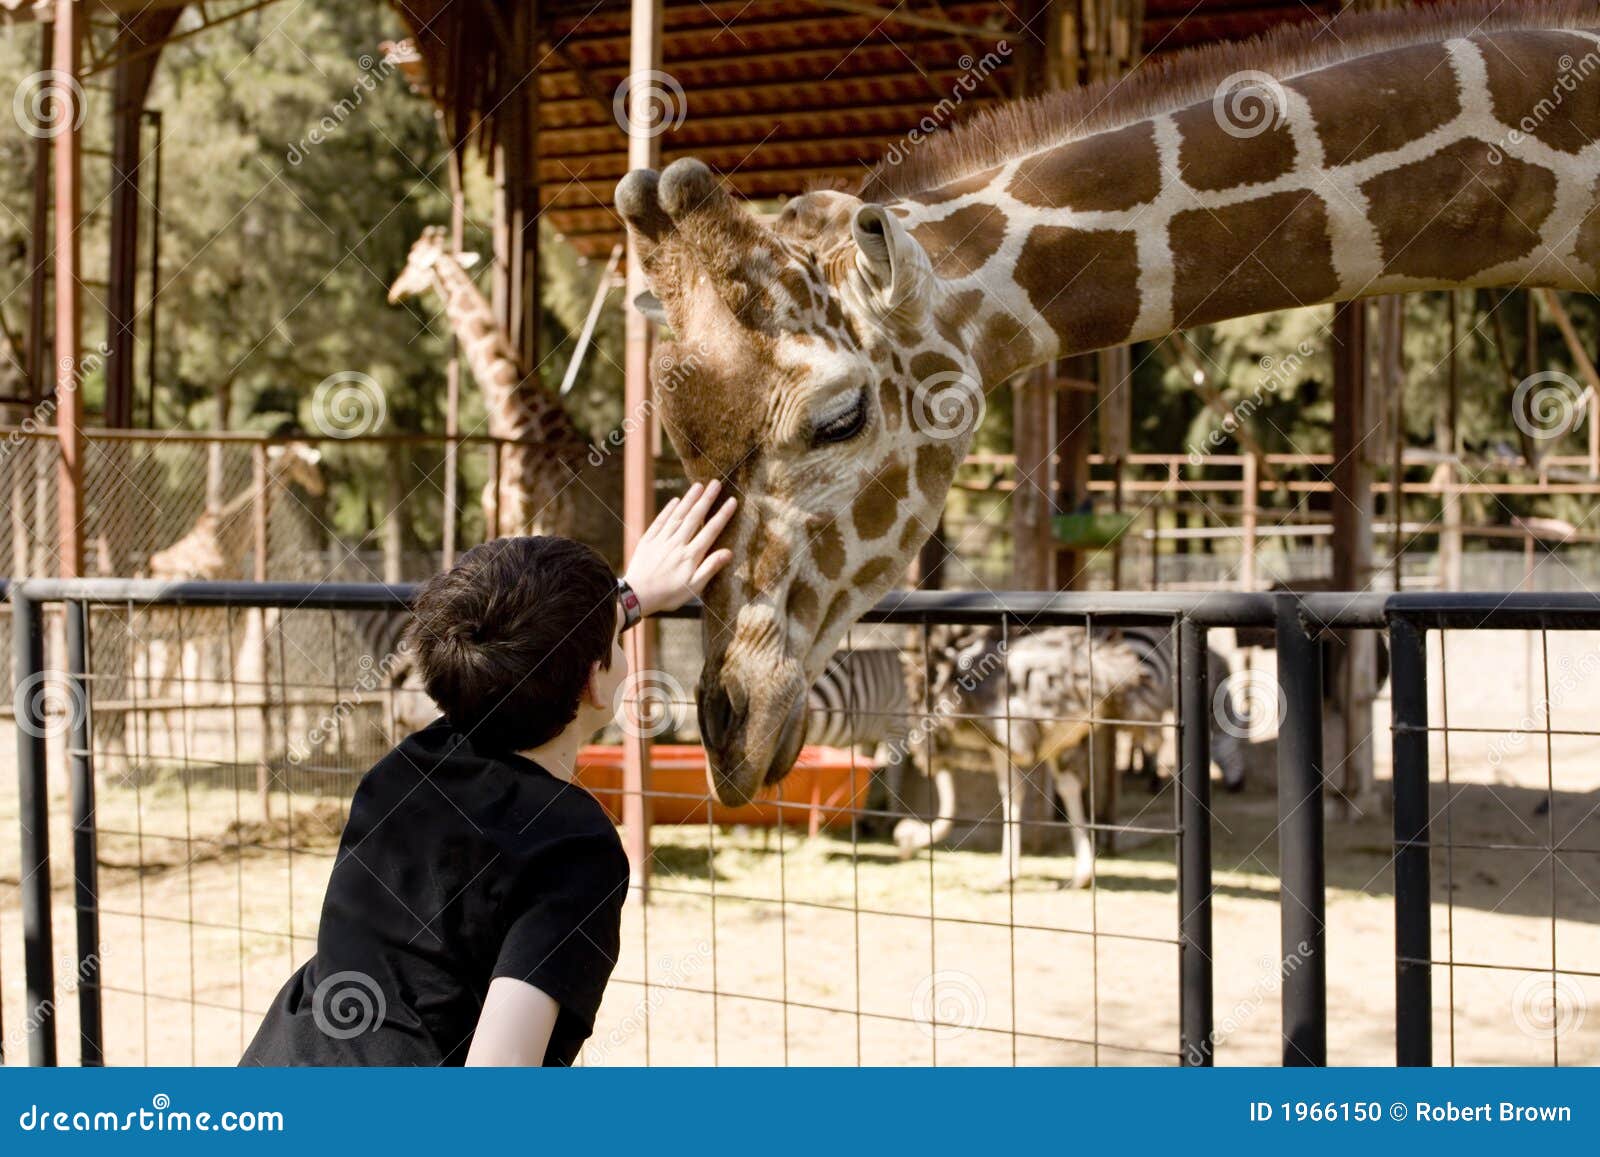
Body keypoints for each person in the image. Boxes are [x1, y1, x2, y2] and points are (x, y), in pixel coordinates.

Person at [241, 481, 737, 1066]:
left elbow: (520, 657)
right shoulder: (575, 849)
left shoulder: (405, 767)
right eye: (615, 641)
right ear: (596, 682)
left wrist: (626, 599)